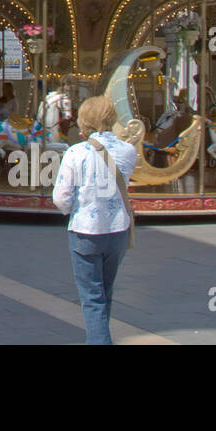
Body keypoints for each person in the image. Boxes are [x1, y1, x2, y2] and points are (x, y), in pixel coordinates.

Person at [52, 95, 137, 345]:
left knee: (91, 297)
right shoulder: (128, 150)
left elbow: (61, 197)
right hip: (117, 229)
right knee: (104, 292)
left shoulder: (75, 153)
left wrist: (73, 209)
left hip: (85, 231)